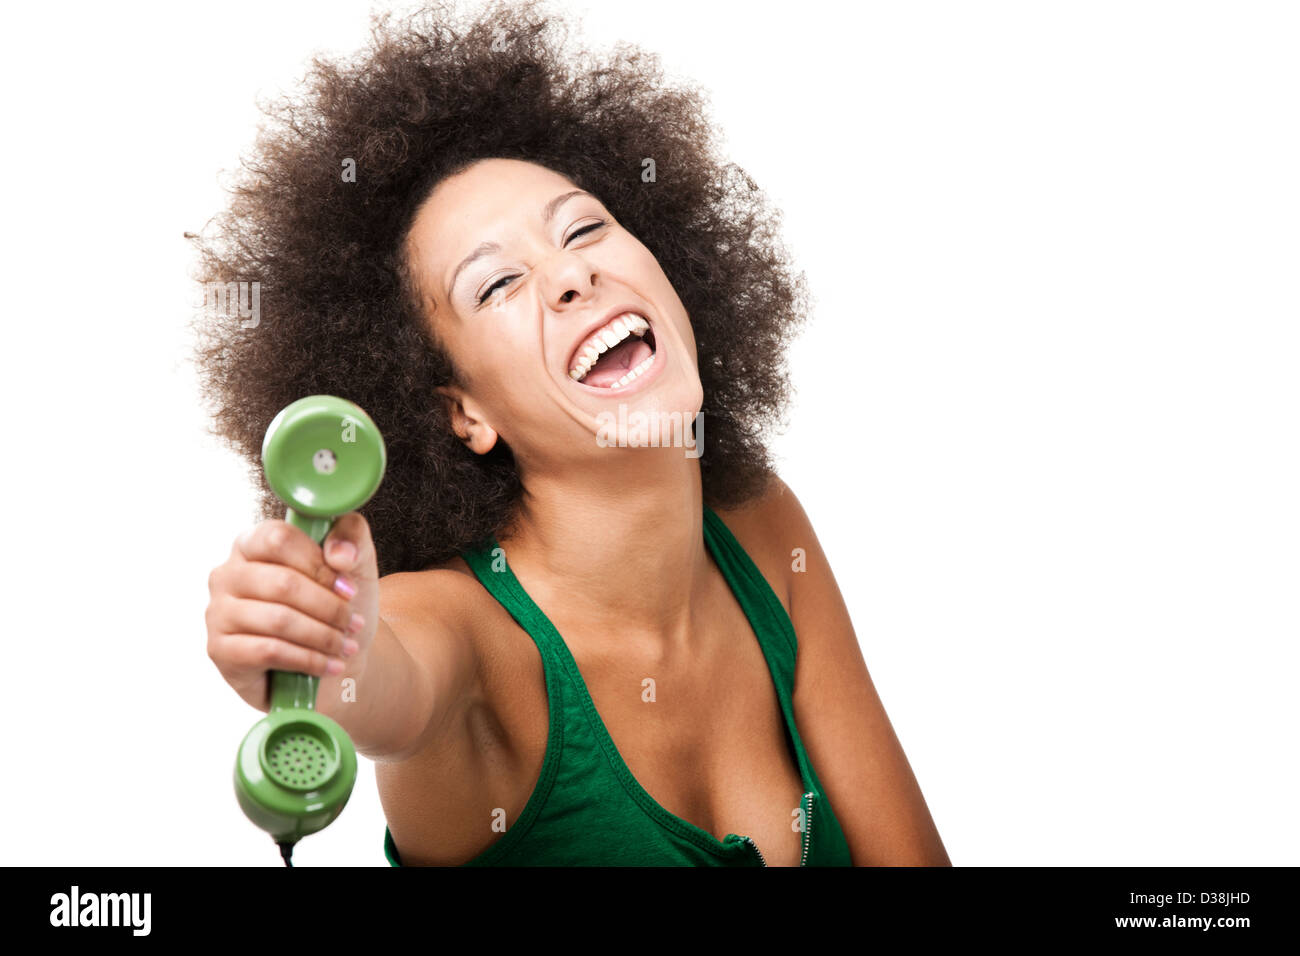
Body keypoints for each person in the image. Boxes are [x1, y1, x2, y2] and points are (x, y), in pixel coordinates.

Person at [197, 0, 950, 866]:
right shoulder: (461, 631)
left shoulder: (762, 524)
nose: (569, 274)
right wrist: (330, 647)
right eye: (496, 285)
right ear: (460, 413)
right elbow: (386, 685)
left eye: (585, 228)